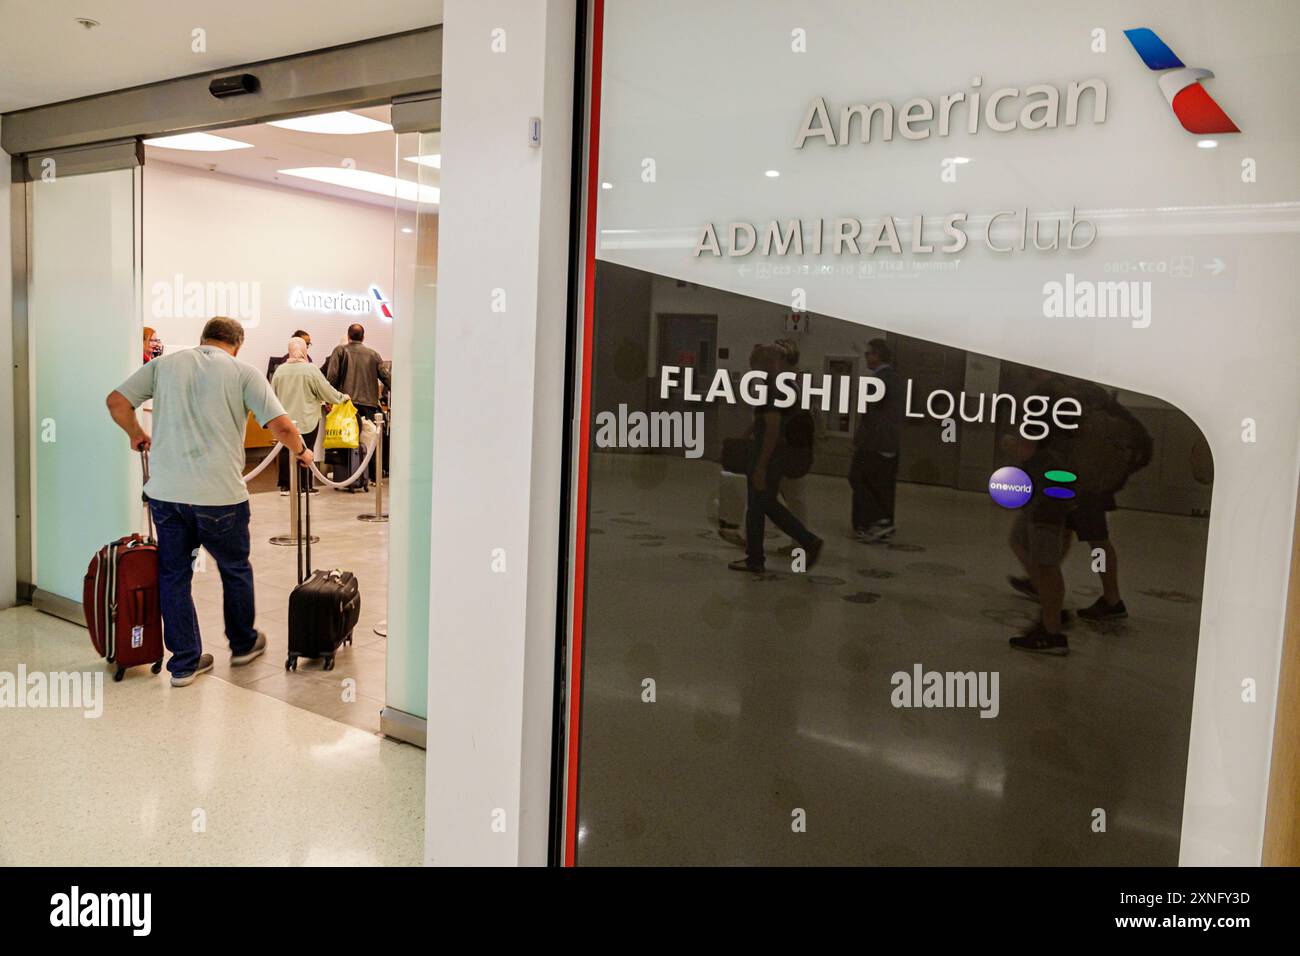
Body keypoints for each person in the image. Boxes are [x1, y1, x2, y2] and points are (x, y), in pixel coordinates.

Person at [106, 316, 314, 687]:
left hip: (166, 496)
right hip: (220, 498)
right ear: (237, 344)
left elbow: (117, 401)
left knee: (174, 576)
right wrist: (302, 452)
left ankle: (184, 663)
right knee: (234, 568)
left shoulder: (163, 365)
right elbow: (281, 426)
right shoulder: (242, 372)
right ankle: (243, 644)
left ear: (202, 339)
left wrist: (136, 434)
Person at [728, 345, 823, 574]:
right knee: (758, 507)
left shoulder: (773, 389)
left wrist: (761, 464)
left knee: (765, 505)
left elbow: (772, 428)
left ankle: (808, 542)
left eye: (754, 368)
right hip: (776, 456)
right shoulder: (784, 385)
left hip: (768, 457)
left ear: (765, 365)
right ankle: (755, 558)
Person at [271, 335, 347, 495]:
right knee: (306, 450)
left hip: (285, 420)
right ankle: (304, 485)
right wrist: (342, 398)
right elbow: (325, 390)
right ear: (304, 350)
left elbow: (273, 395)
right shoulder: (310, 369)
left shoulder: (280, 370)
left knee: (286, 450)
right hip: (308, 419)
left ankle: (286, 486)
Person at [324, 324, 391, 491]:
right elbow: (387, 378)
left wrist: (328, 400)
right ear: (363, 337)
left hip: (347, 405)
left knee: (347, 441)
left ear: (348, 336)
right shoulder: (374, 355)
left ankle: (348, 476)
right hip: (369, 405)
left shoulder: (339, 351)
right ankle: (374, 477)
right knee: (370, 441)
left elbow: (331, 377)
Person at [850, 338, 902, 542]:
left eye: (868, 354)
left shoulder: (877, 381)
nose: (866, 358)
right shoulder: (896, 378)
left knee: (859, 478)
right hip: (890, 441)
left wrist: (858, 440)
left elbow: (870, 415)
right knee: (883, 483)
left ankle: (867, 522)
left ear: (876, 355)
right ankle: (884, 521)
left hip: (874, 442)